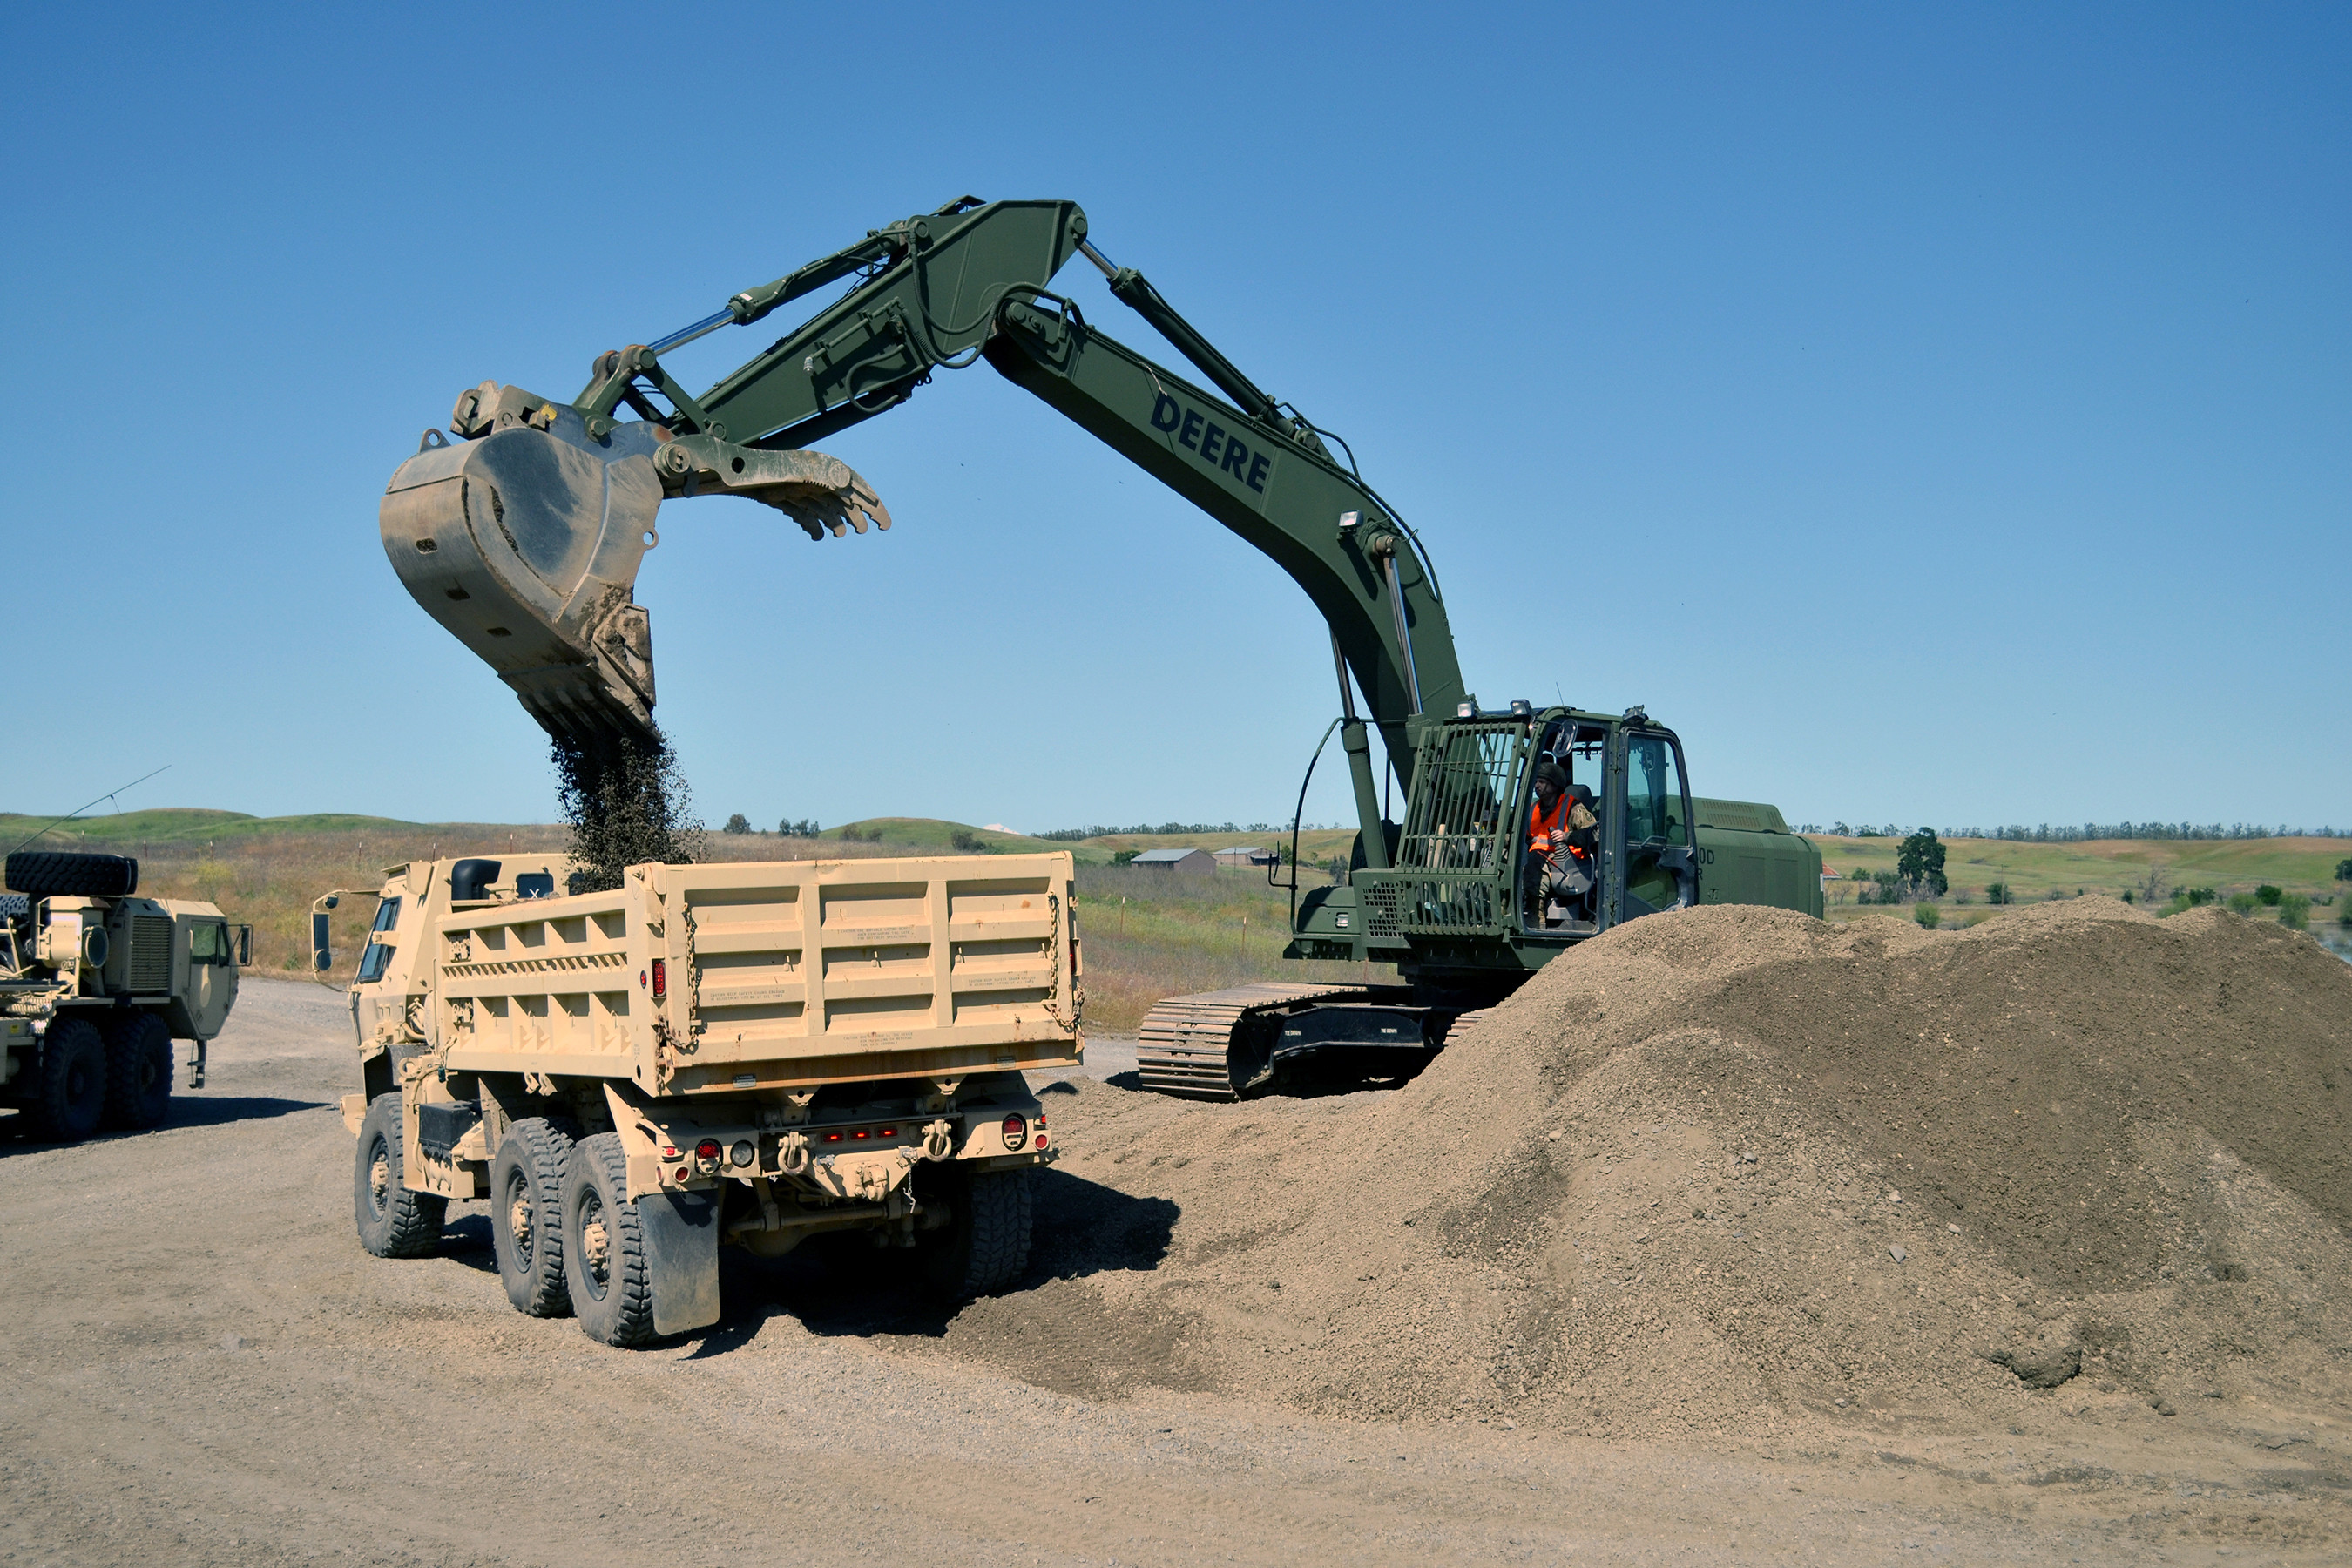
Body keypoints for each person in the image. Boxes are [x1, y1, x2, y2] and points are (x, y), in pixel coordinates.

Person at [1525, 759, 1598, 925]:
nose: (1537, 785)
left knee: (1535, 864)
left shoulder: (1573, 807)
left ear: (1555, 784)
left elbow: (1594, 833)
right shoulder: (1532, 809)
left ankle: (1536, 918)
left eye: (1542, 782)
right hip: (1541, 857)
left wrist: (1567, 837)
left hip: (1570, 862)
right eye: (1536, 781)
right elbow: (1526, 835)